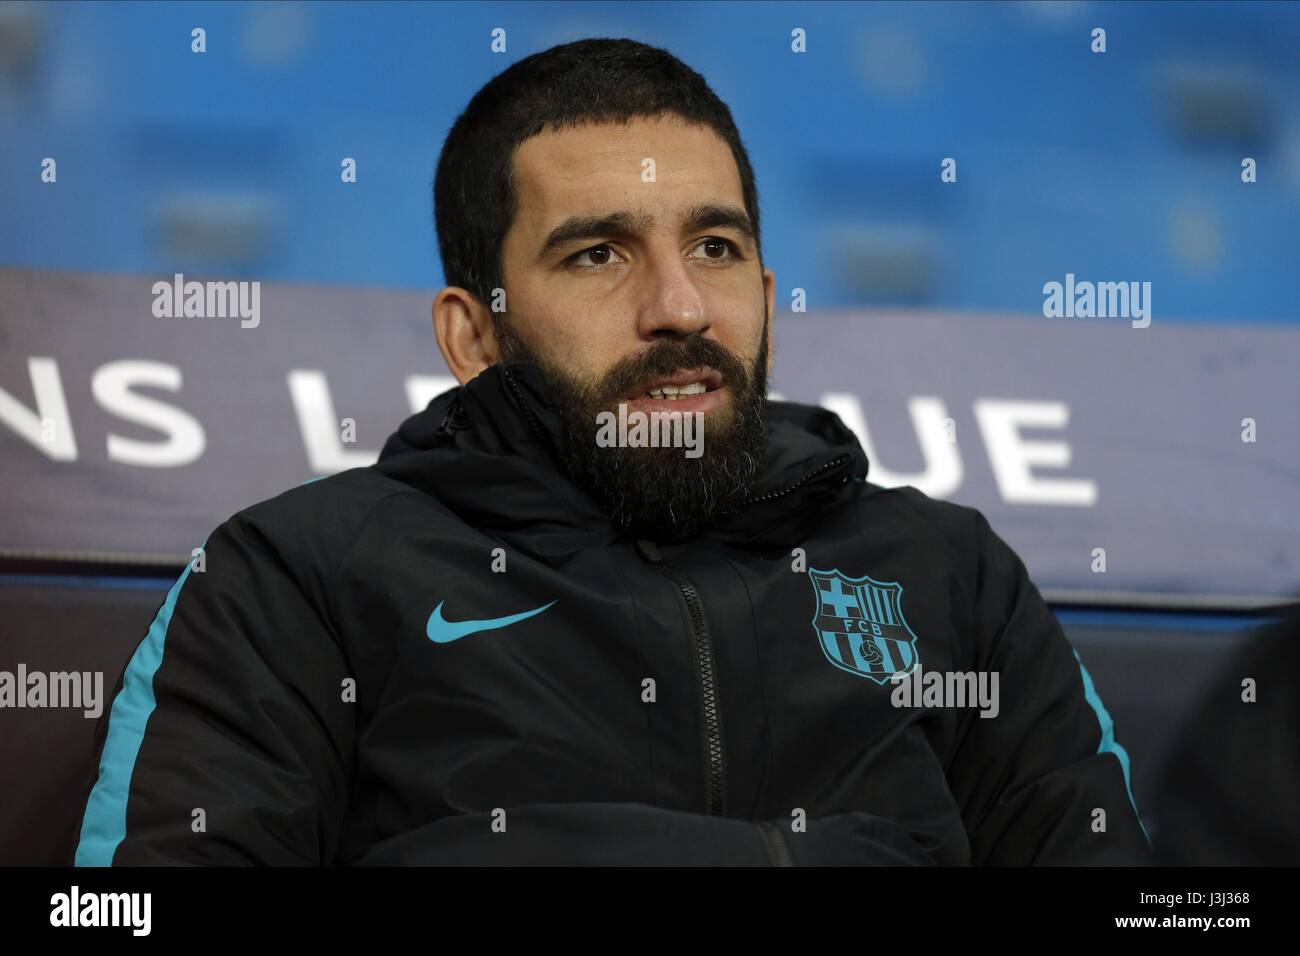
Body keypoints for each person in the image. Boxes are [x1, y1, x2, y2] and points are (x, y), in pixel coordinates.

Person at [75, 38, 1148, 866]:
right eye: (598, 253)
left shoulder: (949, 574)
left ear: (766, 298)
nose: (679, 306)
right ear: (474, 333)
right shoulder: (296, 574)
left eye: (715, 247)